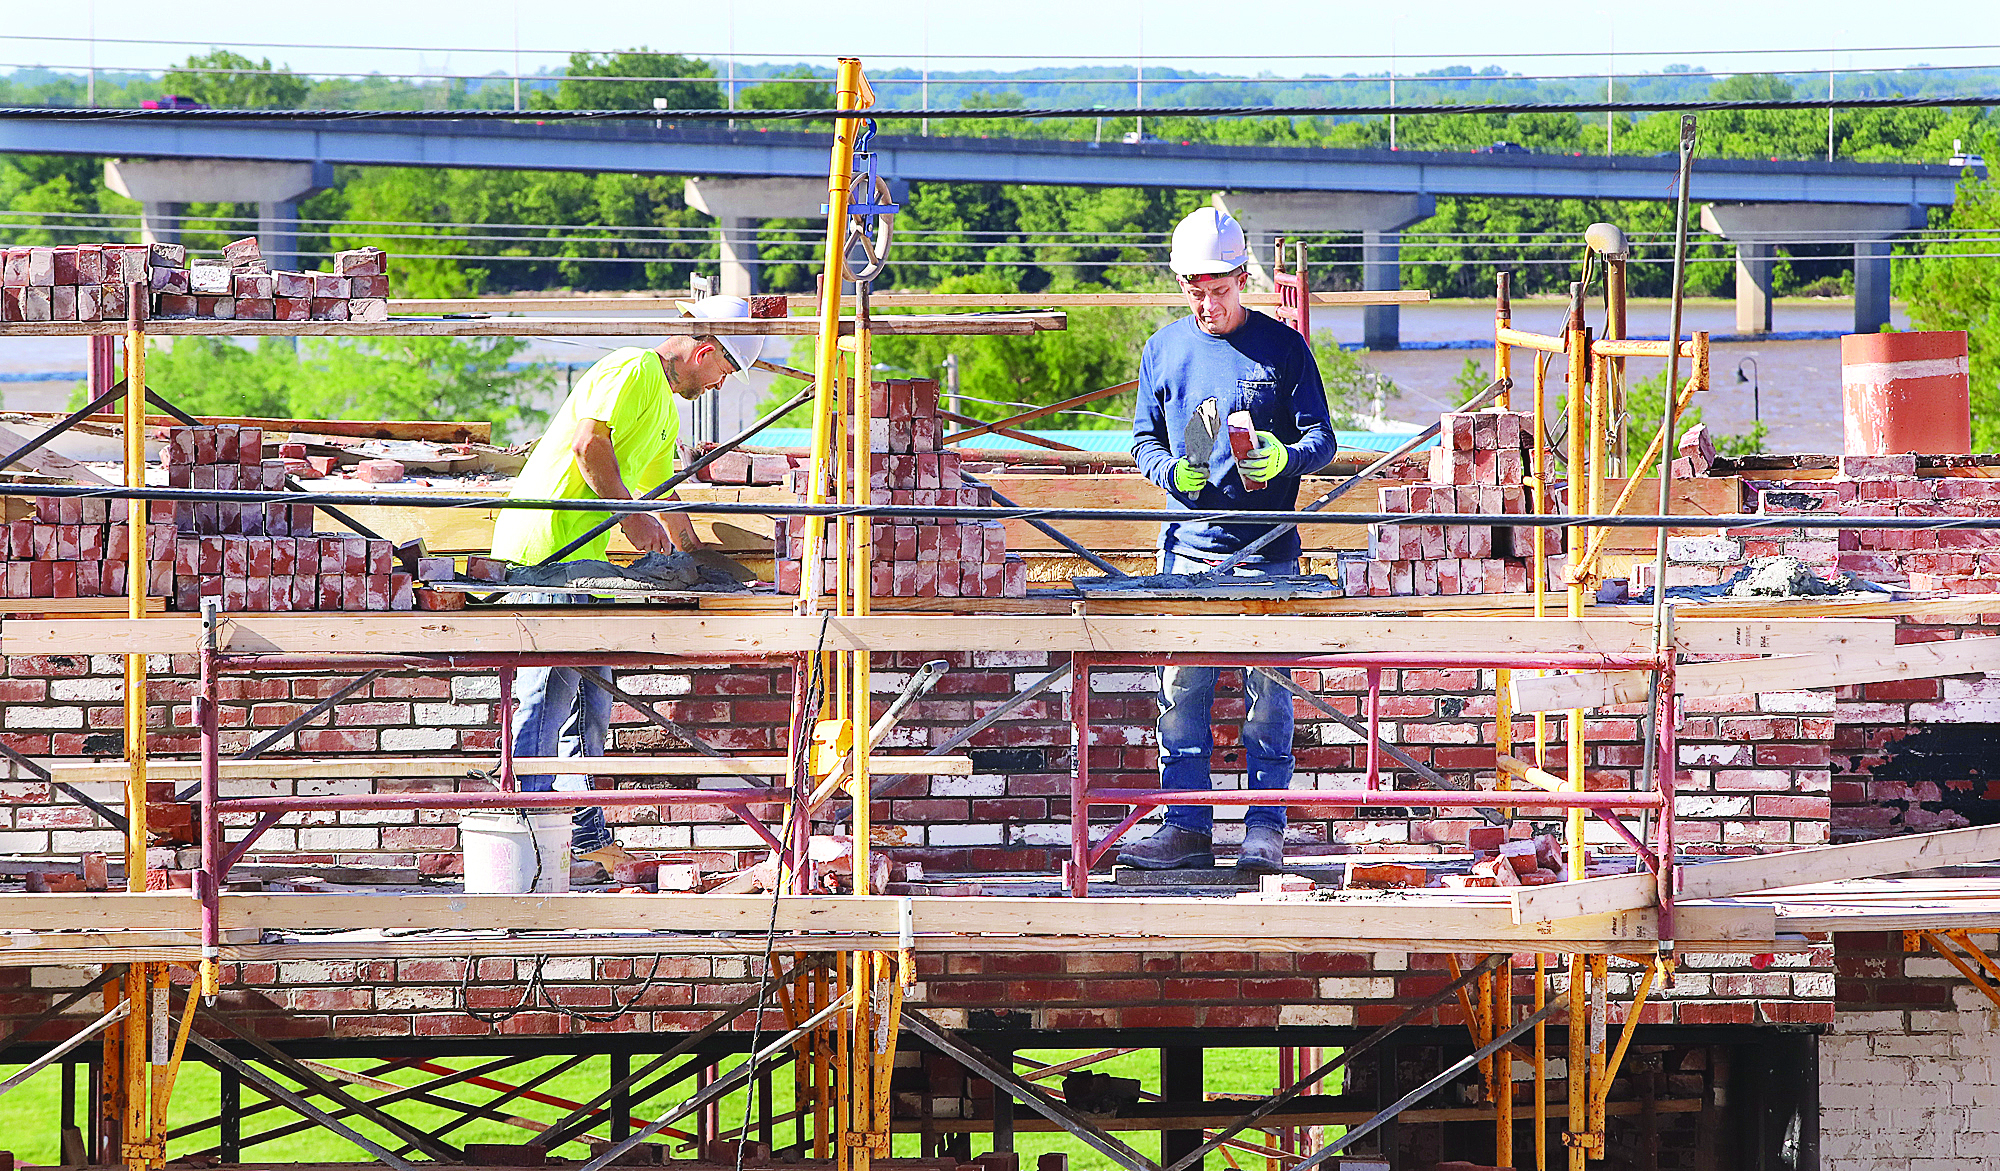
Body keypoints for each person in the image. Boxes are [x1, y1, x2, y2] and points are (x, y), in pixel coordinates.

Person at [490, 295, 768, 874]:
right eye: (723, 373)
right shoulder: (631, 368)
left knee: (592, 698)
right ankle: (530, 826)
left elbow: (661, 490)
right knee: (548, 691)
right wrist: (629, 515)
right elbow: (588, 446)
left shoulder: (666, 408)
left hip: (583, 562)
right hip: (544, 550)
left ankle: (586, 833)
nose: (720, 387)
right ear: (704, 350)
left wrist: (699, 560)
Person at [1117, 206, 1336, 874]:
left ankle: (1264, 828)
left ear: (1244, 278)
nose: (1207, 304)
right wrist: (1166, 468)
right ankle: (1185, 825)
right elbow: (1142, 440)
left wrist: (1283, 456)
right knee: (1182, 693)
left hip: (1268, 551)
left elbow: (1322, 439)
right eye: (1195, 291)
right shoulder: (1165, 349)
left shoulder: (1283, 348)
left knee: (1268, 693)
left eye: (1218, 290)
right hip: (1187, 548)